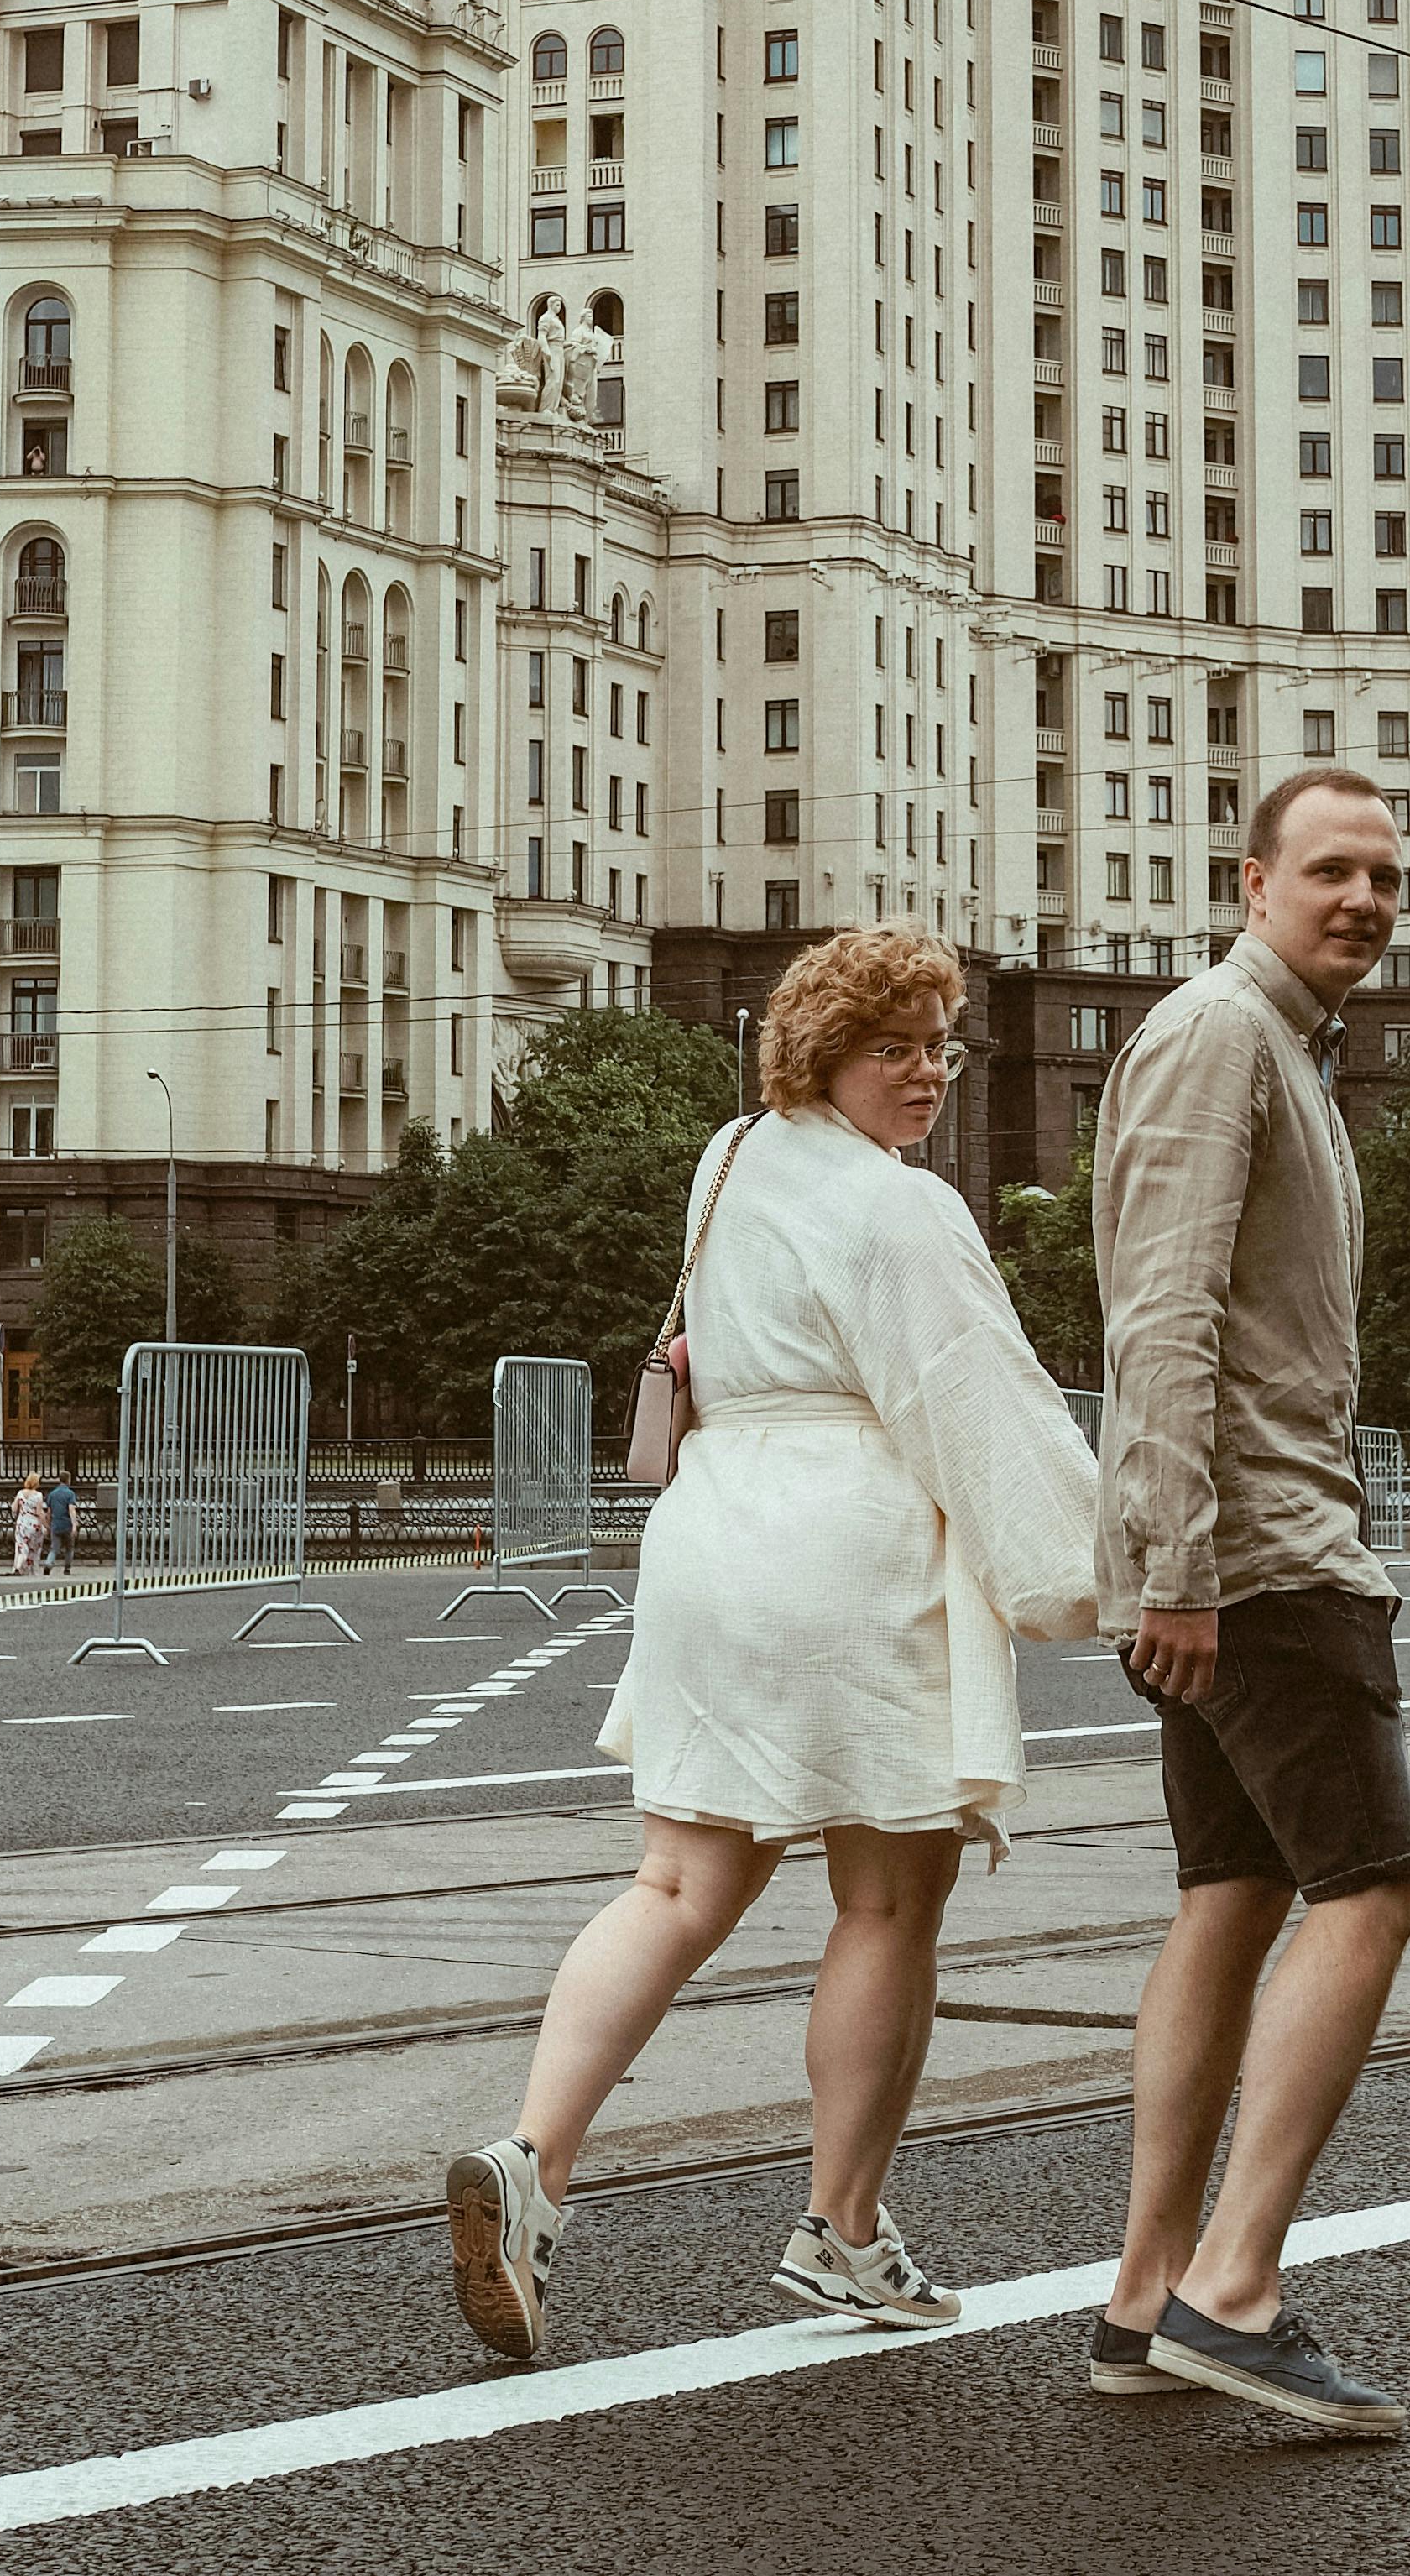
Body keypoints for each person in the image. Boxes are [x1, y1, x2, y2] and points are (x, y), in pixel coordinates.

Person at [445, 923, 1099, 2364]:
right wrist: (1093, 1566)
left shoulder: (731, 1153)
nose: (928, 1070)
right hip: (847, 1555)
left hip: (709, 1537)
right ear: (824, 1052)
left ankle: (533, 2165)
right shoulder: (905, 1207)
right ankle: (843, 2232)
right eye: (897, 1045)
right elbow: (971, 1399)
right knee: (885, 1907)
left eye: (942, 1041)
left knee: (675, 1880)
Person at [1087, 766, 1410, 2441]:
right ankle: (1236, 2285)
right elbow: (1161, 1320)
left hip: (1233, 1544)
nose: (1363, 898)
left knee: (1232, 1890)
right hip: (1259, 1551)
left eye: (1385, 874)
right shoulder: (1224, 1034)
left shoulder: (1277, 1044)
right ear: (1252, 879)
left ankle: (1148, 2294)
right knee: (1370, 1884)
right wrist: (1183, 1563)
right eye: (1332, 870)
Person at [8, 1473, 50, 1576]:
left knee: (21, 1545)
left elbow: (14, 1508)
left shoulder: (20, 1493)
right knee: (34, 1547)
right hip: (34, 1523)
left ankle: (18, 1567)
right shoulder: (38, 1495)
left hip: (22, 1522)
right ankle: (31, 1569)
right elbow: (39, 1512)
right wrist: (46, 1525)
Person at [44, 1469, 77, 1575]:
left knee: (54, 1548)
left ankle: (49, 1564)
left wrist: (48, 1526)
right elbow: (71, 1509)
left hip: (56, 1524)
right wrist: (74, 1525)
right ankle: (67, 1568)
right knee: (69, 1548)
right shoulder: (70, 1493)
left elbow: (49, 1512)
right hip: (67, 1524)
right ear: (68, 1480)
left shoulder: (52, 1494)